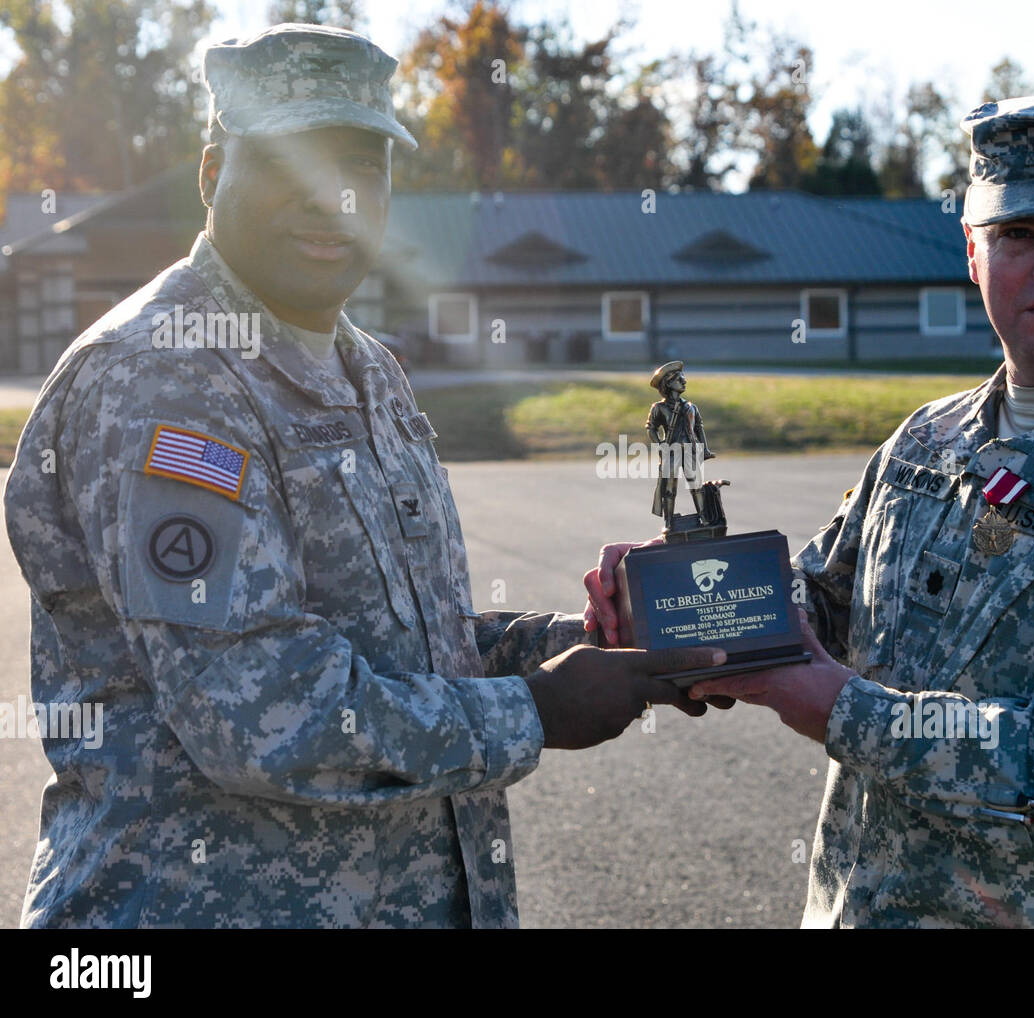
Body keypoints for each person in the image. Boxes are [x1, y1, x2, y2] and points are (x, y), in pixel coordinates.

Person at [3, 23, 719, 929]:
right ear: (212, 171)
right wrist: (534, 708)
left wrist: (572, 643)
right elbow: (260, 707)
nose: (329, 198)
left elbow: (398, 641)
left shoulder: (367, 368)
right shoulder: (161, 373)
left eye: (361, 164)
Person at [585, 98, 1034, 928]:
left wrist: (843, 710)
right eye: (1020, 235)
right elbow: (823, 598)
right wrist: (681, 598)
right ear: (972, 250)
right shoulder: (925, 440)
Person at [646, 360, 715, 526]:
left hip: (690, 451)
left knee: (696, 486)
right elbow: (651, 428)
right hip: (671, 452)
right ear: (668, 383)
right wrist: (660, 443)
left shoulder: (691, 407)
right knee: (669, 489)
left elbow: (699, 428)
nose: (684, 381)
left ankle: (703, 518)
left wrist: (705, 449)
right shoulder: (659, 408)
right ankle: (668, 521)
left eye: (683, 377)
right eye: (679, 379)